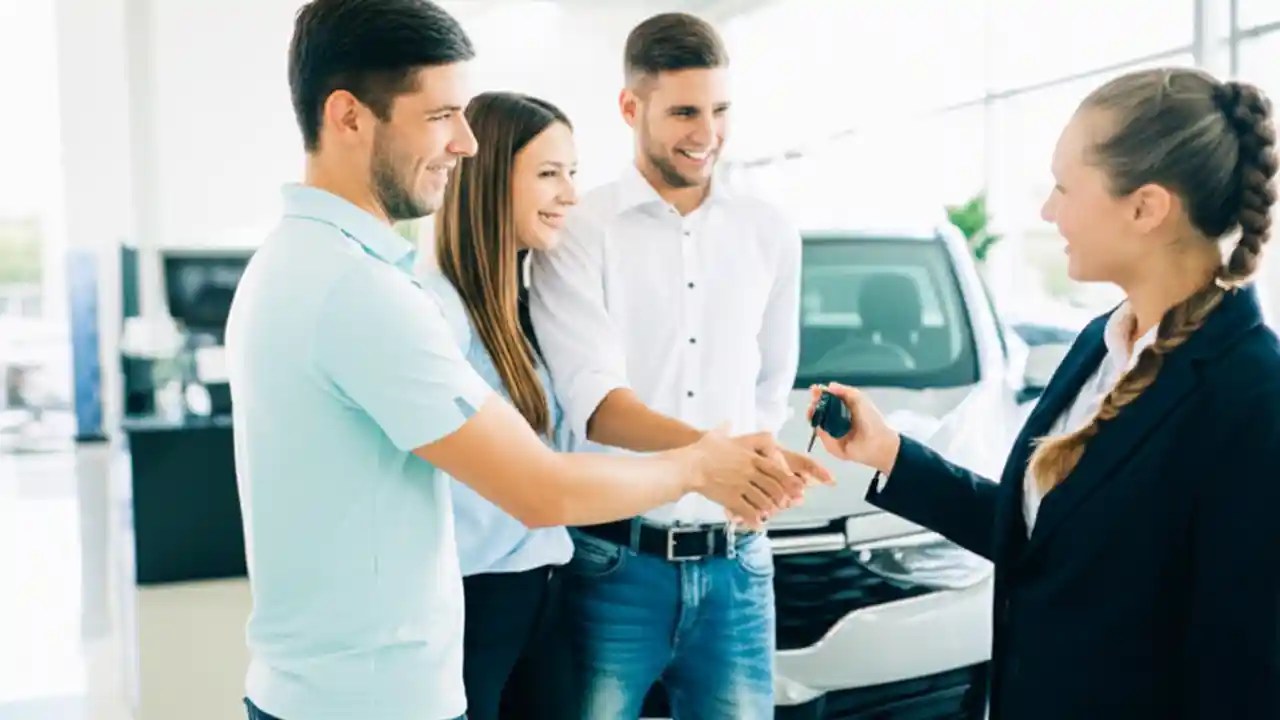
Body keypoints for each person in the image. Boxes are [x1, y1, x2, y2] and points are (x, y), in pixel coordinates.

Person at [224, 2, 809, 719]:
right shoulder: (361, 292)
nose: (467, 143)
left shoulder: (301, 263)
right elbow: (538, 490)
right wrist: (700, 462)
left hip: (342, 687)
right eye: (442, 116)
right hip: (367, 699)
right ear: (348, 116)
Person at [809, 67, 1280, 720]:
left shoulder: (1252, 396)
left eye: (1063, 187)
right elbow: (1041, 543)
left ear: (1145, 208)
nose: (1047, 210)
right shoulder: (1101, 343)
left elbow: (1243, 675)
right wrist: (890, 452)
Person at [528, 13, 816, 720]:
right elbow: (593, 402)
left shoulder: (769, 231)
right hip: (613, 565)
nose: (707, 133)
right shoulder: (577, 231)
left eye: (720, 110)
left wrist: (760, 469)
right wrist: (714, 459)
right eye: (684, 111)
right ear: (631, 108)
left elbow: (769, 386)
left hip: (739, 566)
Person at [423, 91, 581, 720]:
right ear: (488, 181)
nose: (569, 194)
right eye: (549, 174)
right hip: (475, 603)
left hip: (541, 592)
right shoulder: (438, 309)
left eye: (573, 173)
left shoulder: (522, 306)